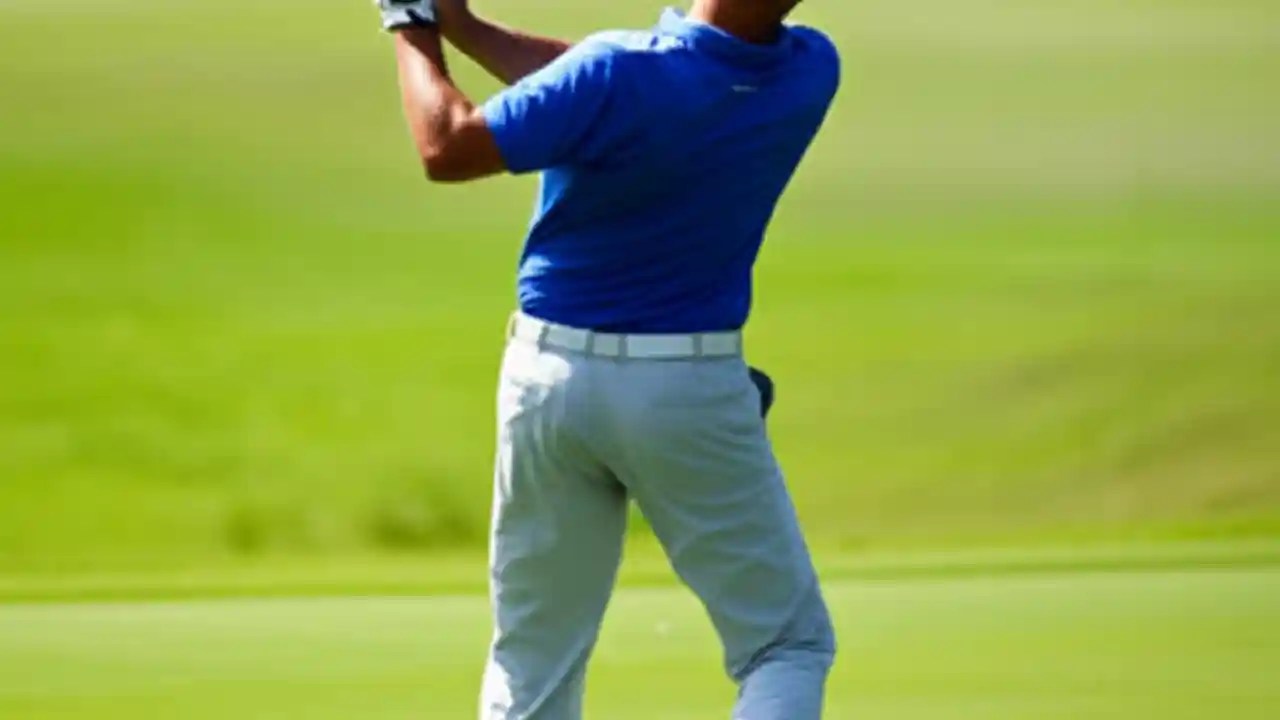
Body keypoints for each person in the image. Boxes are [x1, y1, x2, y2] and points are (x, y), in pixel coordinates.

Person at [373, 1, 841, 717]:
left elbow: (450, 146)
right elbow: (590, 86)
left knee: (533, 663)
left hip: (546, 380)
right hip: (690, 389)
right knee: (785, 646)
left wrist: (412, 24)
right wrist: (462, 25)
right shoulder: (811, 70)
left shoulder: (615, 71)